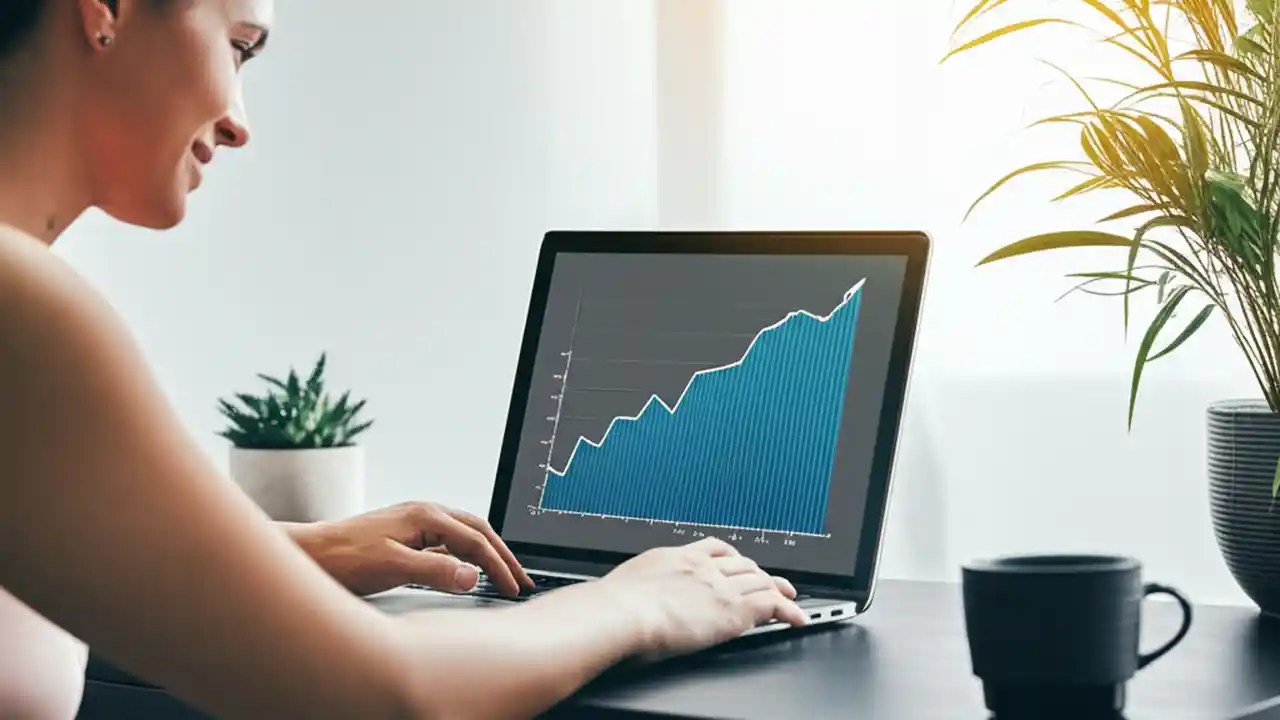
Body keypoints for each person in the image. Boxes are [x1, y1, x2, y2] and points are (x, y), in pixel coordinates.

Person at [0, 1, 809, 718]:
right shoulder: (20, 307)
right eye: (241, 46)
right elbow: (387, 694)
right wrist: (637, 603)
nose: (240, 120)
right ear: (104, 10)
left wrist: (309, 551)